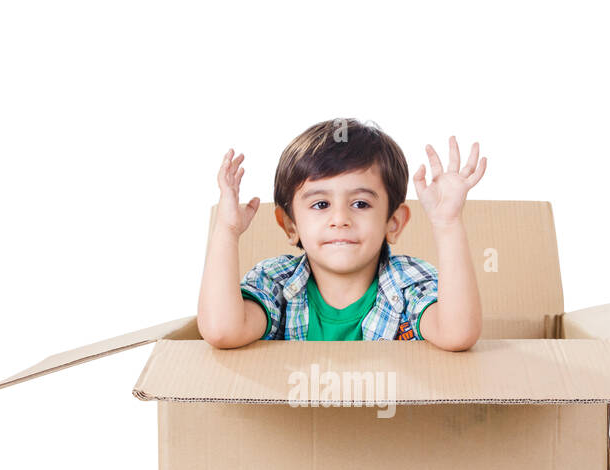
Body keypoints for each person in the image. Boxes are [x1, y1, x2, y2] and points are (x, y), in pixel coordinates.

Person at [196, 118, 486, 349]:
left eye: (360, 204)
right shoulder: (276, 281)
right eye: (321, 204)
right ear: (290, 226)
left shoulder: (407, 282)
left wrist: (447, 225)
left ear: (393, 223)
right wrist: (227, 231)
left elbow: (457, 334)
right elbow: (222, 332)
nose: (340, 219)